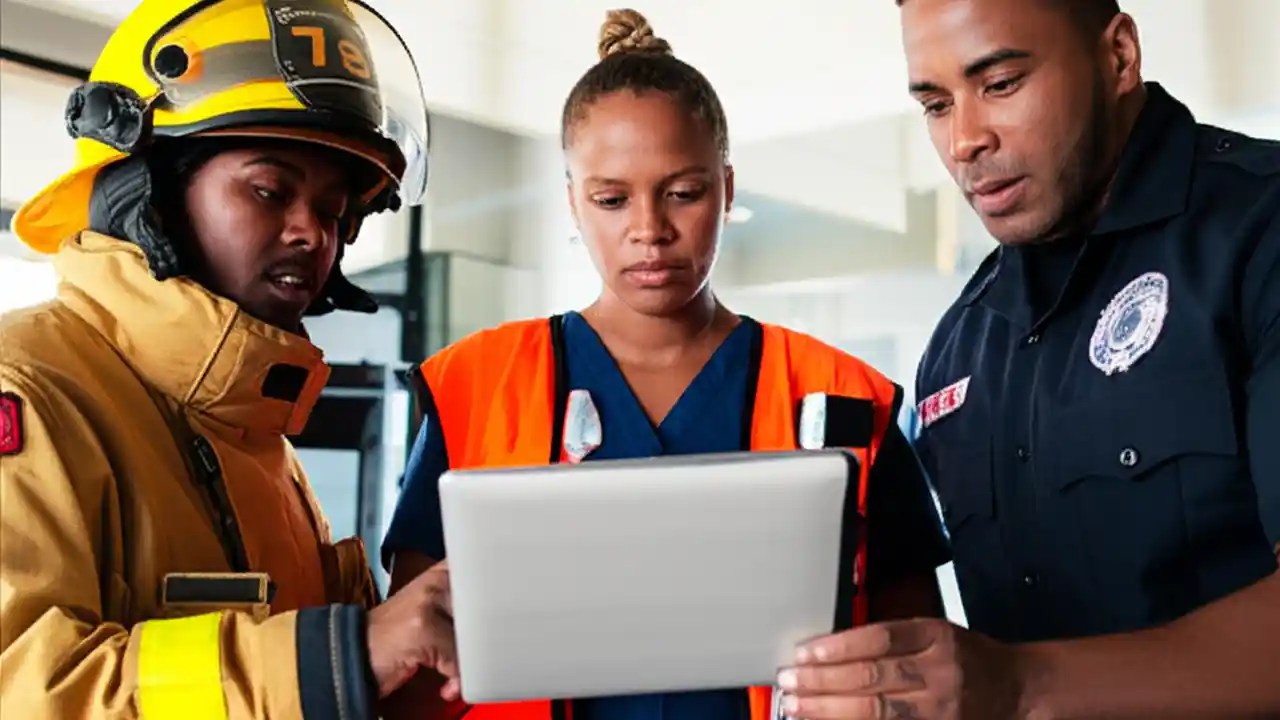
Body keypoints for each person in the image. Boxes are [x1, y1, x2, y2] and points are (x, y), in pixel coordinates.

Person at [379, 8, 952, 720]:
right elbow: (414, 679)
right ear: (573, 204)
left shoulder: (844, 399)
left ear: (727, 189)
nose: (649, 230)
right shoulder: (470, 387)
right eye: (612, 199)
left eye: (683, 192)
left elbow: (920, 669)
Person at [779, 0, 1280, 717]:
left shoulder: (1261, 234)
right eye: (935, 103)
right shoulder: (956, 351)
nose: (964, 140)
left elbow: (1005, 680)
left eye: (1002, 83)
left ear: (1117, 57)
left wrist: (1018, 684)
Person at [0, 1, 460, 718]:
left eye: (336, 210)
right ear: (147, 192)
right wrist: (341, 656)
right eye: (270, 190)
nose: (313, 234)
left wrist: (424, 666)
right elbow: (25, 687)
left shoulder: (256, 437)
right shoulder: (26, 390)